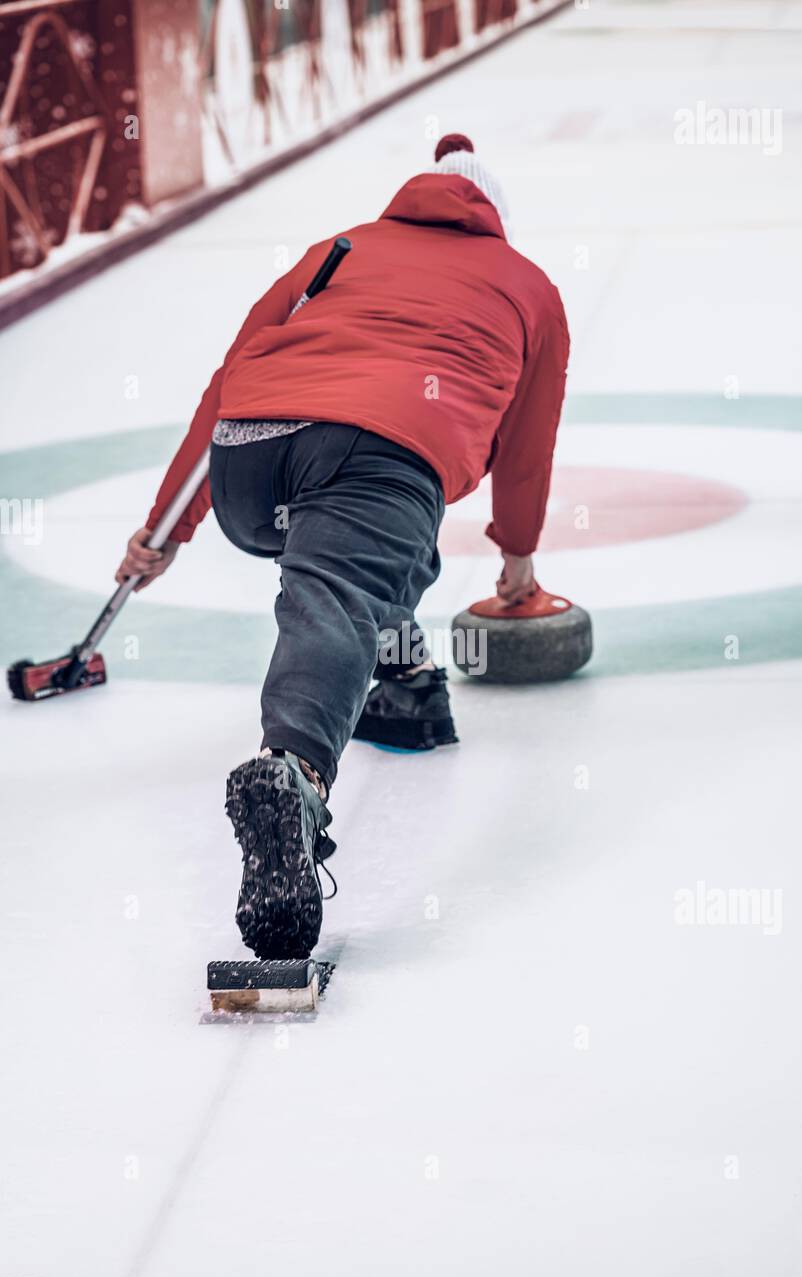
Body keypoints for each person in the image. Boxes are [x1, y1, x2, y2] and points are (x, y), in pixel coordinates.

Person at [115, 134, 570, 960]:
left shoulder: (341, 247)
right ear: (498, 218)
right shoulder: (527, 286)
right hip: (383, 447)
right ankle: (293, 775)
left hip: (251, 466)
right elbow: (528, 444)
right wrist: (517, 561)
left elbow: (229, 375)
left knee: (370, 565)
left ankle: (399, 681)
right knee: (340, 585)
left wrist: (165, 530)